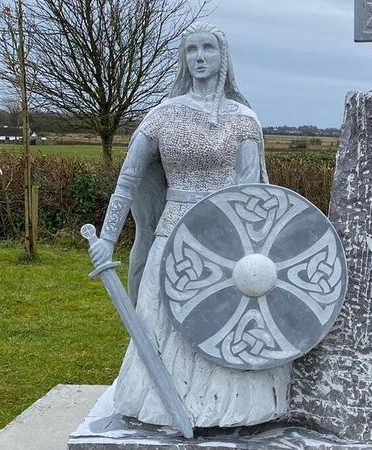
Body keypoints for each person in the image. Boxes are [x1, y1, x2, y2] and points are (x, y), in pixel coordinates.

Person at [88, 22, 288, 428]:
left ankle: (229, 409)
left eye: (208, 48)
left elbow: (251, 191)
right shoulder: (162, 115)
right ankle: (156, 406)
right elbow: (128, 180)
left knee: (223, 321)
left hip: (227, 241)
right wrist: (107, 239)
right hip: (172, 236)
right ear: (183, 57)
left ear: (222, 56)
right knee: (160, 321)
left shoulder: (243, 119)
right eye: (191, 49)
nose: (199, 57)